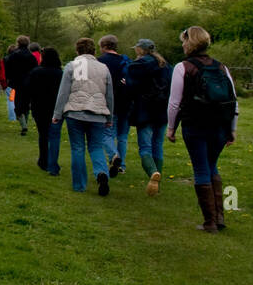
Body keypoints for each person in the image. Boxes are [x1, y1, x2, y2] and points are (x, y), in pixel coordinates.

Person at [167, 26, 238, 232]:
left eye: (183, 41)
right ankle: (219, 217)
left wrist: (171, 128)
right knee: (211, 166)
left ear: (189, 43)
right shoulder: (221, 67)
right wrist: (231, 128)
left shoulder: (183, 67)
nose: (182, 44)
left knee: (200, 168)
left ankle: (210, 222)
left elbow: (174, 102)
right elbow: (233, 100)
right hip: (219, 126)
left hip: (195, 124)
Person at [51, 37, 115, 195]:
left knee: (78, 148)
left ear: (77, 51)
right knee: (96, 147)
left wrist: (57, 114)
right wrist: (109, 117)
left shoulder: (73, 66)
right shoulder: (103, 68)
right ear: (94, 51)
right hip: (98, 114)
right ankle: (101, 173)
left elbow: (63, 92)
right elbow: (109, 95)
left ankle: (79, 185)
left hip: (75, 112)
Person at [127, 38, 171, 196]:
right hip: (162, 110)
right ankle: (157, 184)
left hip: (145, 110)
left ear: (140, 50)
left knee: (145, 146)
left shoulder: (138, 65)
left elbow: (131, 87)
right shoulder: (165, 64)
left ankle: (153, 172)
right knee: (158, 145)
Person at [97, 34, 132, 177]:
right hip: (126, 102)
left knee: (107, 134)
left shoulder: (100, 62)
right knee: (123, 136)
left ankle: (113, 156)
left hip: (108, 103)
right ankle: (121, 166)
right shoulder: (126, 61)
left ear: (103, 46)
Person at [26, 47, 64, 174]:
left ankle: (43, 159)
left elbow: (29, 88)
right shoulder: (60, 73)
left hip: (39, 107)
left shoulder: (36, 72)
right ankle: (52, 161)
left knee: (43, 134)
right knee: (54, 135)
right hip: (56, 107)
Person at [4, 35, 38, 137]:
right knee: (26, 104)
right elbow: (35, 70)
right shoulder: (31, 57)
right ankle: (25, 123)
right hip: (29, 83)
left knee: (17, 105)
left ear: (18, 43)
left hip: (17, 83)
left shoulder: (13, 56)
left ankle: (23, 124)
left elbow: (7, 69)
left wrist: (8, 79)